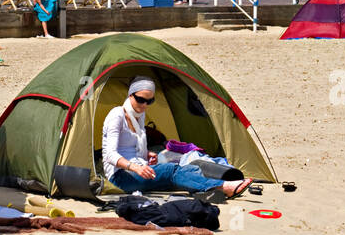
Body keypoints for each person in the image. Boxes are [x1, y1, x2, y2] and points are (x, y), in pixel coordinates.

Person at [103, 78, 253, 198]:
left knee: (190, 168)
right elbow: (110, 155)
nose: (144, 105)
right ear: (130, 95)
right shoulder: (117, 115)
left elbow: (131, 147)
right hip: (120, 176)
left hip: (139, 168)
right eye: (141, 100)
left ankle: (207, 190)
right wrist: (135, 167)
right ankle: (222, 187)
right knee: (171, 170)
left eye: (149, 101)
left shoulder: (139, 115)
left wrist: (146, 154)